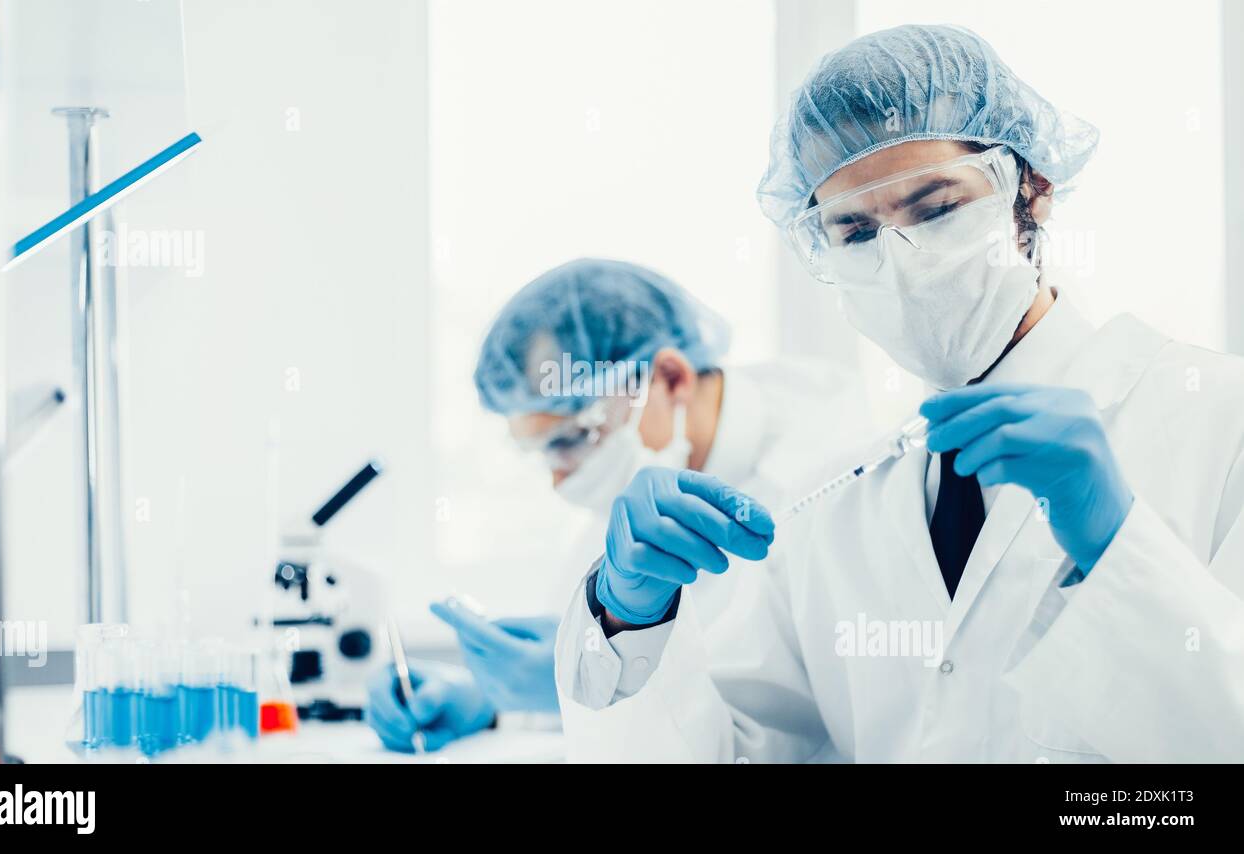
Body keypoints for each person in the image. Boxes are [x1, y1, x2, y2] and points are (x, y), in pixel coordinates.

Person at [553, 24, 1244, 762]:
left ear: (1032, 188)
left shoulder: (1215, 415)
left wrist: (1119, 548)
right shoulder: (835, 510)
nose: (899, 260)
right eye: (853, 231)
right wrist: (629, 619)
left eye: (936, 206)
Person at [365, 258, 870, 752]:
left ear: (671, 379)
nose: (560, 479)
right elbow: (607, 717)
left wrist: (600, 679)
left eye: (572, 438)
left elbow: (764, 728)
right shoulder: (634, 501)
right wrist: (489, 701)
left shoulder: (827, 475)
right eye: (541, 451)